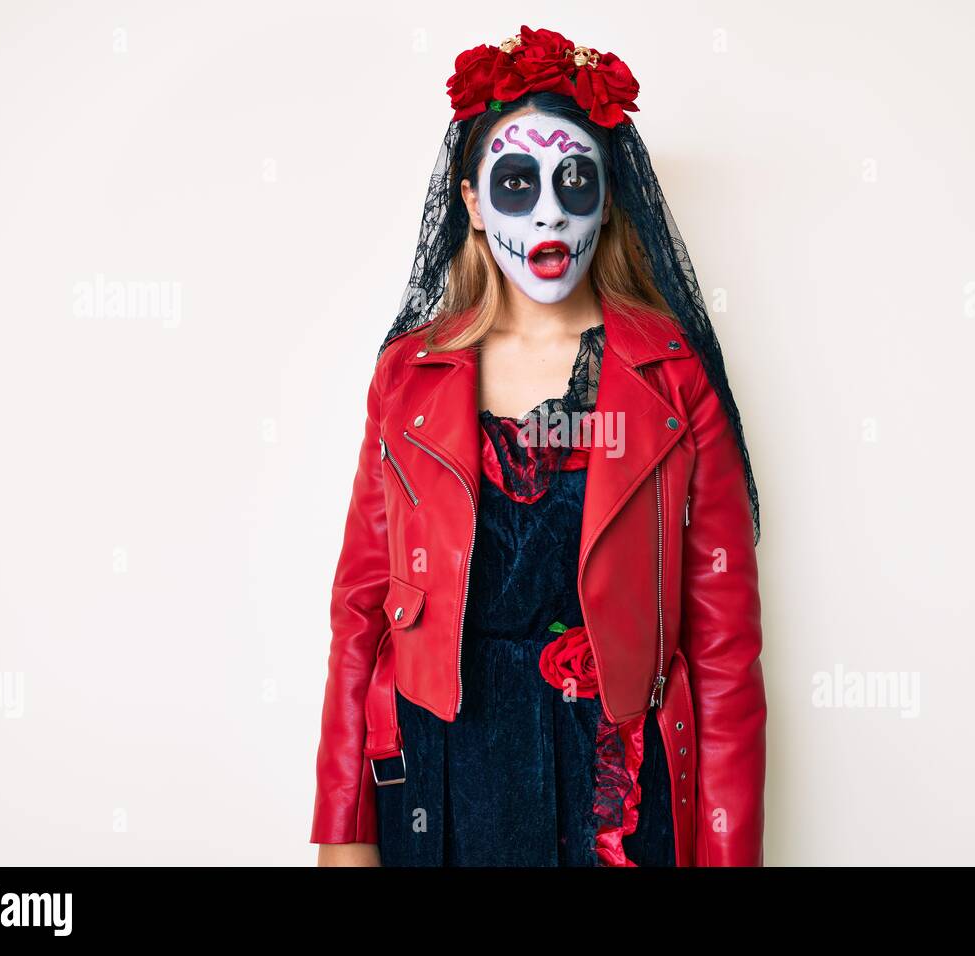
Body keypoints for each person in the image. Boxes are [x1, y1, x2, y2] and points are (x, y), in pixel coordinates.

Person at [311, 25, 766, 867]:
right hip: (440, 778)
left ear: (608, 198)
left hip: (615, 788)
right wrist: (342, 831)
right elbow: (359, 613)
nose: (550, 209)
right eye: (518, 183)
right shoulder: (407, 377)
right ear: (475, 203)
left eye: (575, 181)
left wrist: (731, 855)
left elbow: (725, 649)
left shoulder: (672, 381)